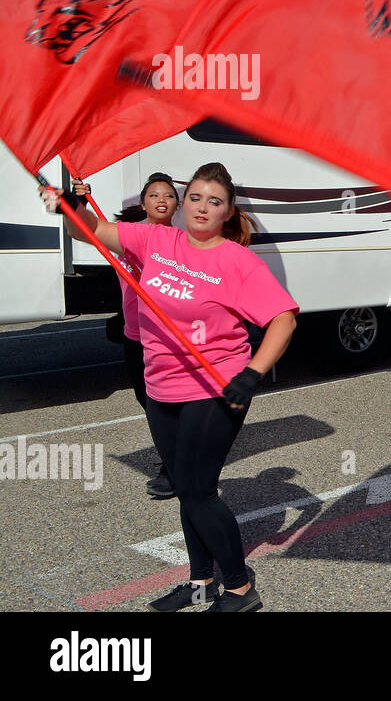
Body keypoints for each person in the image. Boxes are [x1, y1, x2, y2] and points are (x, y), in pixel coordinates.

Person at [45, 162, 298, 612]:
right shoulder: (157, 240)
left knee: (199, 490)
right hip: (162, 386)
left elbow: (283, 318)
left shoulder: (237, 260)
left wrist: (253, 371)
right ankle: (201, 583)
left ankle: (239, 588)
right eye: (196, 198)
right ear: (184, 205)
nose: (202, 208)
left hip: (217, 385)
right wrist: (73, 203)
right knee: (184, 487)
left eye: (214, 202)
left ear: (227, 211)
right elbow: (89, 232)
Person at [73, 173, 182, 498]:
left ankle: (173, 467)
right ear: (143, 203)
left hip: (167, 338)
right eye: (154, 195)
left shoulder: (181, 240)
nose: (161, 199)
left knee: (166, 404)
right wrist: (78, 201)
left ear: (176, 204)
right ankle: (175, 457)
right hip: (134, 335)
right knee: (146, 401)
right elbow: (84, 231)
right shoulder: (129, 236)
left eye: (168, 195)